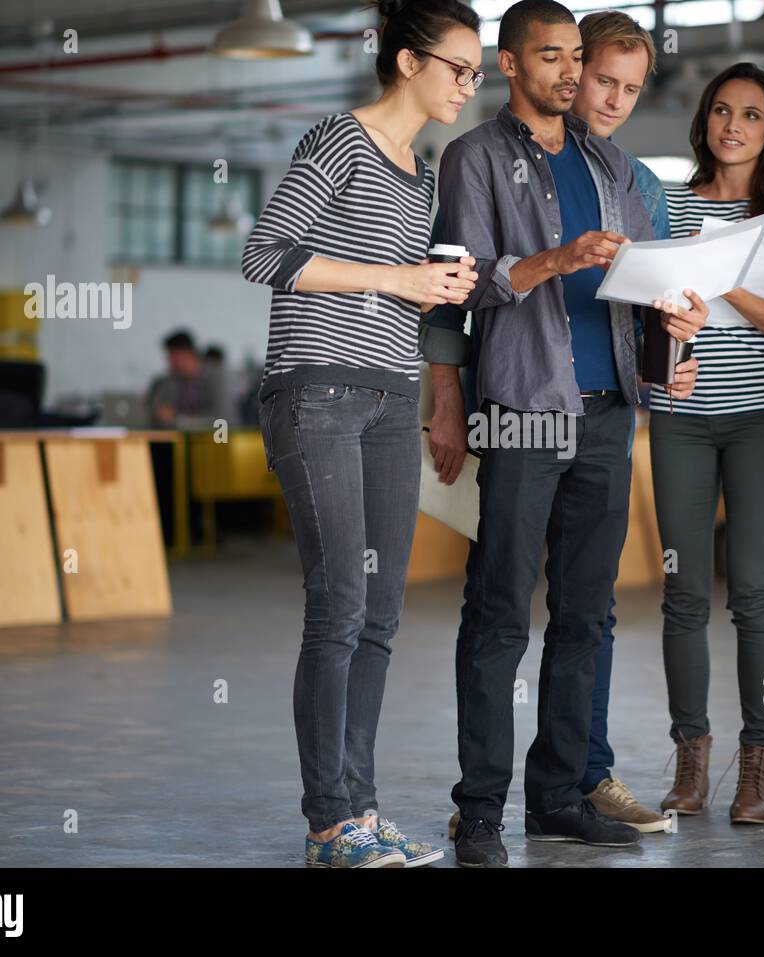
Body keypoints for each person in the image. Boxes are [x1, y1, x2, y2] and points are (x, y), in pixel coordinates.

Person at [425, 0, 706, 867]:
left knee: (587, 611)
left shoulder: (617, 166)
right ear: (511, 65)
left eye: (576, 57)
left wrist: (678, 331)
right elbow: (457, 283)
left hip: (610, 409)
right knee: (501, 609)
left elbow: (647, 284)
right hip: (521, 404)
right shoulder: (473, 158)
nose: (571, 74)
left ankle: (556, 799)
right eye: (552, 58)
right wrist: (554, 260)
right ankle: (478, 809)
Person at [239, 0, 483, 870]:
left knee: (380, 612)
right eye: (461, 67)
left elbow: (402, 289)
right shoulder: (338, 141)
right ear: (410, 62)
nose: (470, 84)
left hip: (387, 395)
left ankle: (361, 811)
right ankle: (327, 822)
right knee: (339, 604)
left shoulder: (421, 175)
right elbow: (267, 254)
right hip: (317, 394)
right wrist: (401, 275)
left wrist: (437, 291)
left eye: (477, 72)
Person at [652, 62, 764, 826]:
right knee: (683, 592)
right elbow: (647, 311)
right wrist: (671, 345)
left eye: (751, 114)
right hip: (680, 417)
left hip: (761, 420)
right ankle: (691, 758)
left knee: (752, 591)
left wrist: (718, 278)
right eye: (722, 110)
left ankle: (759, 766)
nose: (732, 125)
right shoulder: (668, 205)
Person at [146, 330, 233, 428]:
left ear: (186, 353)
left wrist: (180, 420)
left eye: (172, 356)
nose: (169, 361)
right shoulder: (169, 381)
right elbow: (158, 412)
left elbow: (223, 419)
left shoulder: (216, 377)